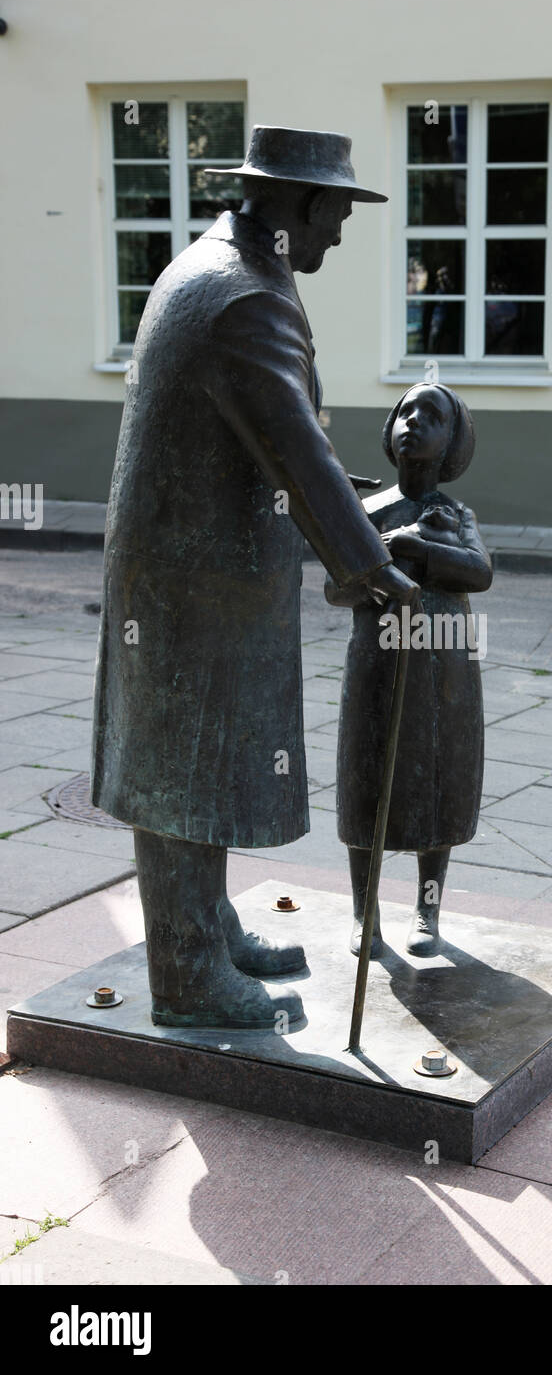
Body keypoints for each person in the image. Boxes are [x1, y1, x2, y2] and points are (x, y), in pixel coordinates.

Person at [91, 127, 417, 1028]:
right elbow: (295, 450)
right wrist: (369, 567)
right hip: (196, 586)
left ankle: (207, 928)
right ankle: (187, 971)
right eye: (340, 214)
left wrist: (363, 508)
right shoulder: (244, 297)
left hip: (191, 573)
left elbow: (270, 443)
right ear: (307, 205)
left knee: (202, 763)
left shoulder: (219, 268)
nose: (342, 236)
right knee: (184, 767)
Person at [324, 383, 492, 959]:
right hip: (376, 663)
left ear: (453, 442)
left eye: (432, 417)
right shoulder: (364, 512)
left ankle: (427, 912)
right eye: (405, 412)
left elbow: (479, 572)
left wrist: (422, 549)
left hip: (444, 667)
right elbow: (334, 588)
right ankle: (363, 915)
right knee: (365, 780)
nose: (413, 422)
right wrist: (379, 557)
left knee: (440, 782)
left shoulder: (453, 514)